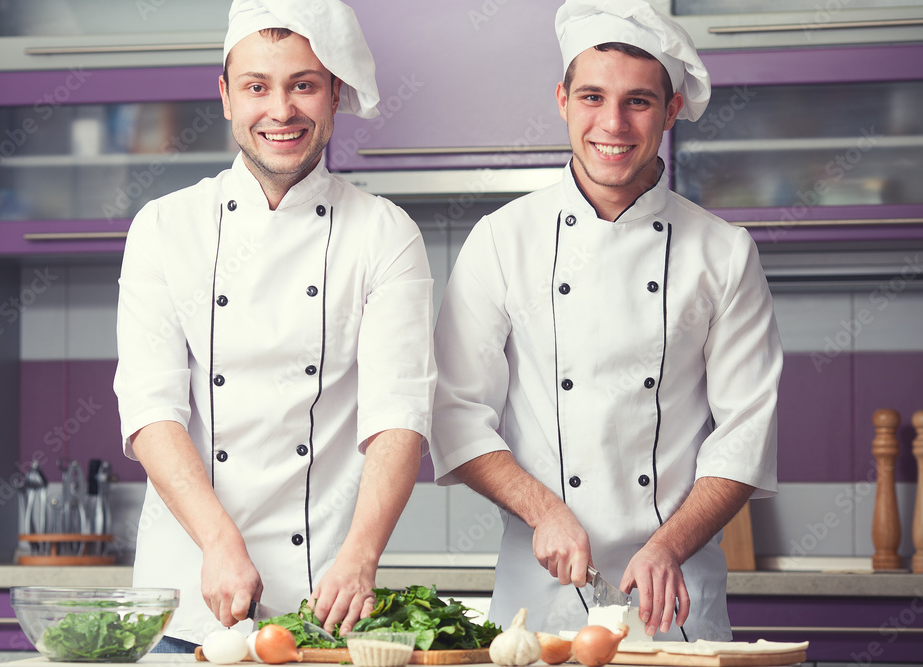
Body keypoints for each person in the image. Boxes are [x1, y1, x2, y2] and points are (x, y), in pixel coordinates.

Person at [430, 0, 782, 642]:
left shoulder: (724, 253)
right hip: (539, 604)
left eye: (638, 101)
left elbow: (745, 432)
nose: (612, 124)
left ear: (671, 110)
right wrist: (543, 510)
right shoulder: (502, 241)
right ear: (563, 100)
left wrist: (669, 545)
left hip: (674, 605)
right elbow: (455, 413)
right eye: (592, 96)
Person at [113, 0, 435, 651]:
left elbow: (398, 416)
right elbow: (151, 408)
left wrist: (361, 557)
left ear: (335, 94)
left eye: (303, 85)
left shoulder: (385, 234)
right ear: (226, 96)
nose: (281, 110)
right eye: (257, 86)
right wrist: (218, 541)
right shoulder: (164, 227)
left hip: (324, 604)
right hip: (185, 599)